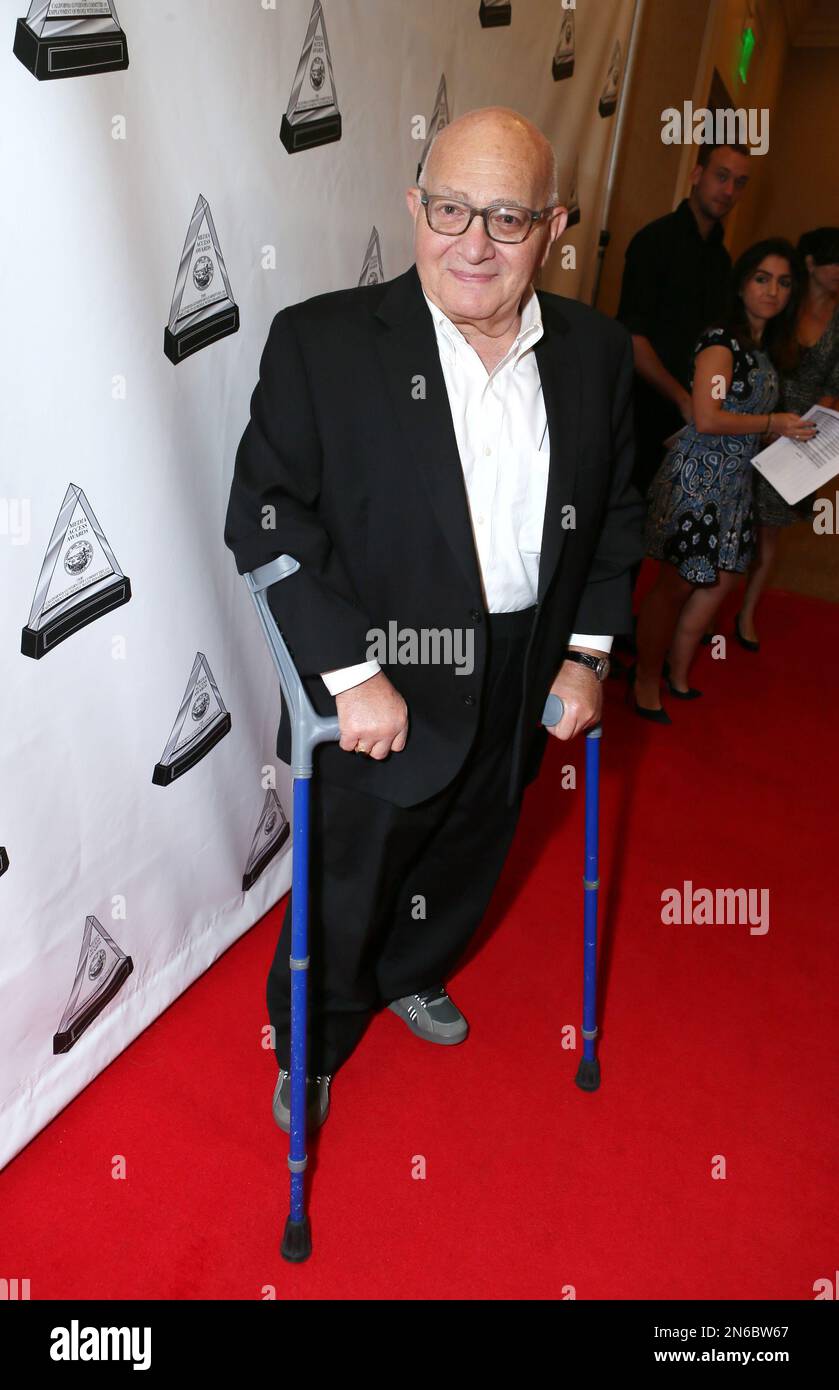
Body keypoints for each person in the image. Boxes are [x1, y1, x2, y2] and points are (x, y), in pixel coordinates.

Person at [224, 107, 644, 1129]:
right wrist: (345, 672)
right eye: (451, 208)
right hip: (383, 672)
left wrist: (587, 654)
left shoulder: (593, 354)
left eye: (507, 218)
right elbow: (268, 518)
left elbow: (618, 513)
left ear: (553, 226)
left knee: (471, 840)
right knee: (346, 875)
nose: (474, 244)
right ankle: (314, 1035)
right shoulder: (322, 344)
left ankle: (412, 967)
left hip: (523, 658)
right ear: (414, 205)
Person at [632, 238, 815, 720]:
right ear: (741, 284)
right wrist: (774, 423)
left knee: (722, 578)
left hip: (735, 483)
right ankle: (646, 681)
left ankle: (676, 669)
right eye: (762, 278)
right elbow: (708, 418)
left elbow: (747, 418)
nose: (773, 291)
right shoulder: (721, 341)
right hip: (699, 482)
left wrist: (794, 436)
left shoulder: (766, 349)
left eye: (784, 282)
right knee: (673, 586)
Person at [617, 143, 752, 504]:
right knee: (628, 519)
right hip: (642, 412)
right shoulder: (655, 240)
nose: (728, 191)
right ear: (696, 175)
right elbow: (632, 338)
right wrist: (682, 399)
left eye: (739, 183)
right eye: (721, 176)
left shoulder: (723, 260)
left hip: (693, 421)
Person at [737, 227, 839, 649]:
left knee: (770, 531)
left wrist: (813, 425)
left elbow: (835, 386)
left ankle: (746, 615)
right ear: (811, 264)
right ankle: (709, 609)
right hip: (757, 419)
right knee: (736, 522)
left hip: (805, 435)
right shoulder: (783, 304)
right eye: (833, 260)